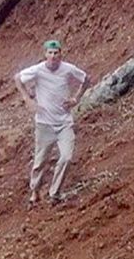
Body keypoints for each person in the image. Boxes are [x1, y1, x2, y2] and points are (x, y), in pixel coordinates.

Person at [14, 39, 91, 205]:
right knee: (40, 161)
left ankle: (55, 193)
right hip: (44, 123)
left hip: (64, 122)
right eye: (50, 53)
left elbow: (86, 79)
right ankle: (35, 190)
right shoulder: (38, 70)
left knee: (66, 157)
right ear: (45, 54)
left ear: (61, 54)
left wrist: (76, 98)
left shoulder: (68, 69)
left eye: (56, 53)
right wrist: (27, 99)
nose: (53, 56)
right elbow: (18, 78)